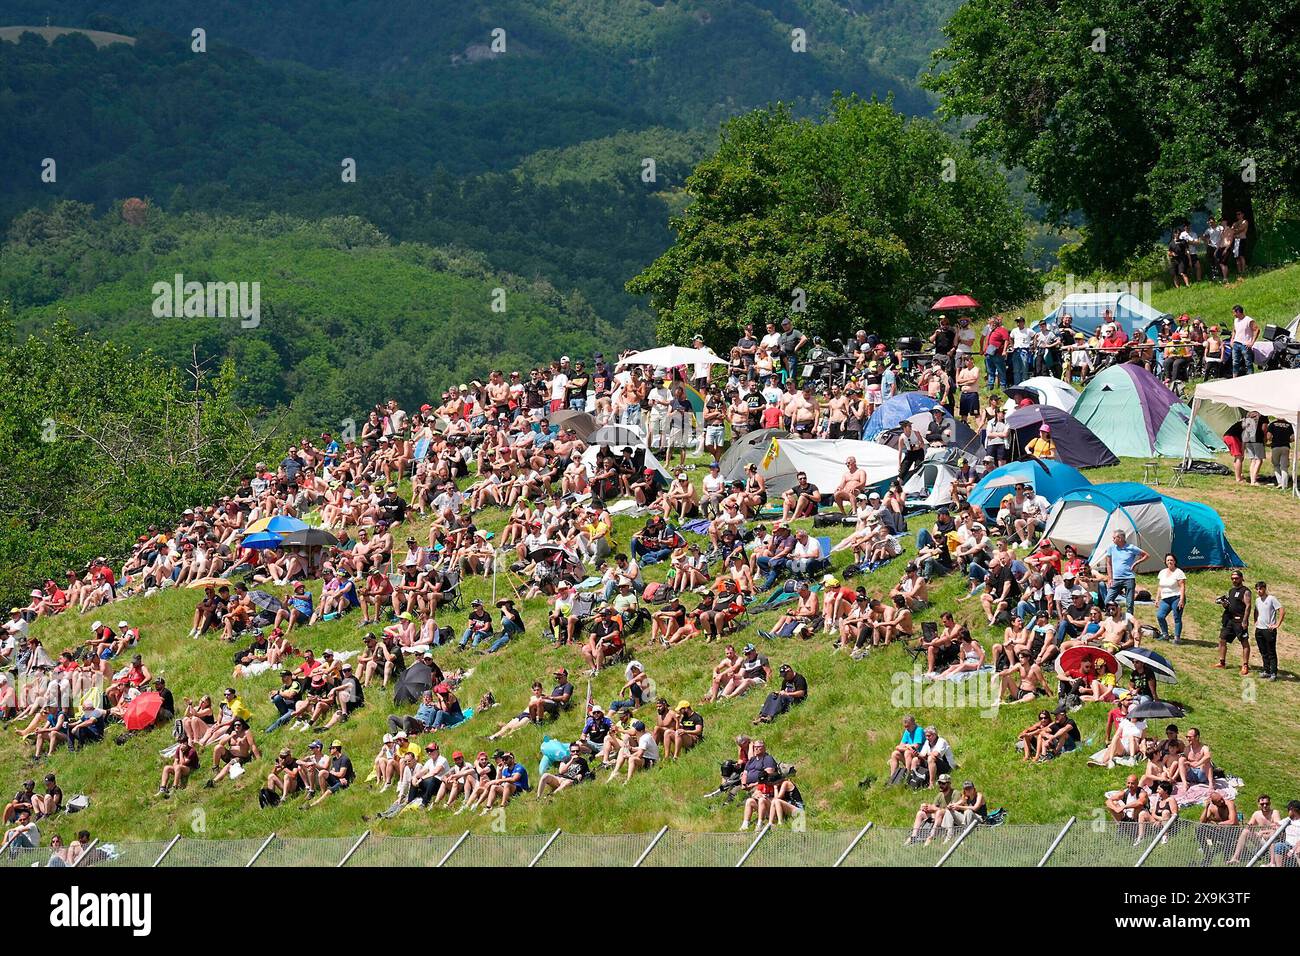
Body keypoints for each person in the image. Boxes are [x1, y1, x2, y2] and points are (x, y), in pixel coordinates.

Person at [1215, 569, 1252, 674]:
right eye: (1232, 578)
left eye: (1236, 578)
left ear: (1241, 578)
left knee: (1244, 642)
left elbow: (1248, 606)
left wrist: (1245, 621)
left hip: (1240, 621)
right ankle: (1222, 662)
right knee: (1222, 639)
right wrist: (1224, 604)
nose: (1234, 580)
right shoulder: (1231, 591)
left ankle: (1245, 665)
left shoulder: (1245, 591)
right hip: (1229, 620)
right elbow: (1229, 605)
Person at [1103, 529, 1147, 614]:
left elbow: (1146, 555)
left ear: (1120, 538)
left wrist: (1135, 563)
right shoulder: (1111, 548)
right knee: (1107, 601)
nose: (1113, 540)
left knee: (1129, 603)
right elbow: (1108, 563)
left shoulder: (1131, 548)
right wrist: (1110, 578)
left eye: (1114, 538)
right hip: (1116, 579)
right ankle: (1115, 616)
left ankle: (1129, 621)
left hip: (1129, 578)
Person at [1251, 580, 1284, 682]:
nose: (1259, 591)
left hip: (1269, 630)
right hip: (1259, 629)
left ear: (1265, 588)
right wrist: (1255, 621)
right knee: (1263, 651)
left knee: (1271, 651)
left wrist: (1277, 624)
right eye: (1257, 589)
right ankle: (1266, 670)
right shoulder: (1257, 600)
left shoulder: (1271, 599)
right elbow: (1256, 611)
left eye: (1260, 589)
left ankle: (1273, 673)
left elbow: (1281, 610)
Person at [1154, 553, 1186, 644]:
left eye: (1171, 560)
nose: (1169, 562)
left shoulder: (1179, 572)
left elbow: (1182, 586)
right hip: (1165, 598)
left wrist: (1181, 599)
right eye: (1168, 560)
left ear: (1175, 561)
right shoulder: (1162, 572)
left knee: (1177, 618)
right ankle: (1165, 635)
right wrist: (1157, 598)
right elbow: (1160, 586)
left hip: (1176, 597)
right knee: (1160, 616)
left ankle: (1177, 638)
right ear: (1165, 562)